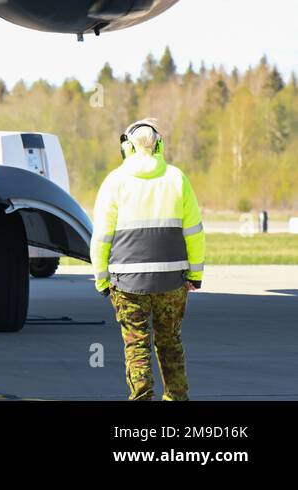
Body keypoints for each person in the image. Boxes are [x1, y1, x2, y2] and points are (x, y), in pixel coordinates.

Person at [91, 118, 205, 401]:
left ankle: (141, 397)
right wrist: (196, 274)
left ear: (126, 147)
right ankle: (177, 397)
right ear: (159, 145)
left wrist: (101, 279)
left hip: (127, 282)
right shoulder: (177, 178)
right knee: (170, 341)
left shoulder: (114, 181)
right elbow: (194, 232)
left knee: (136, 343)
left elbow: (101, 237)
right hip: (172, 280)